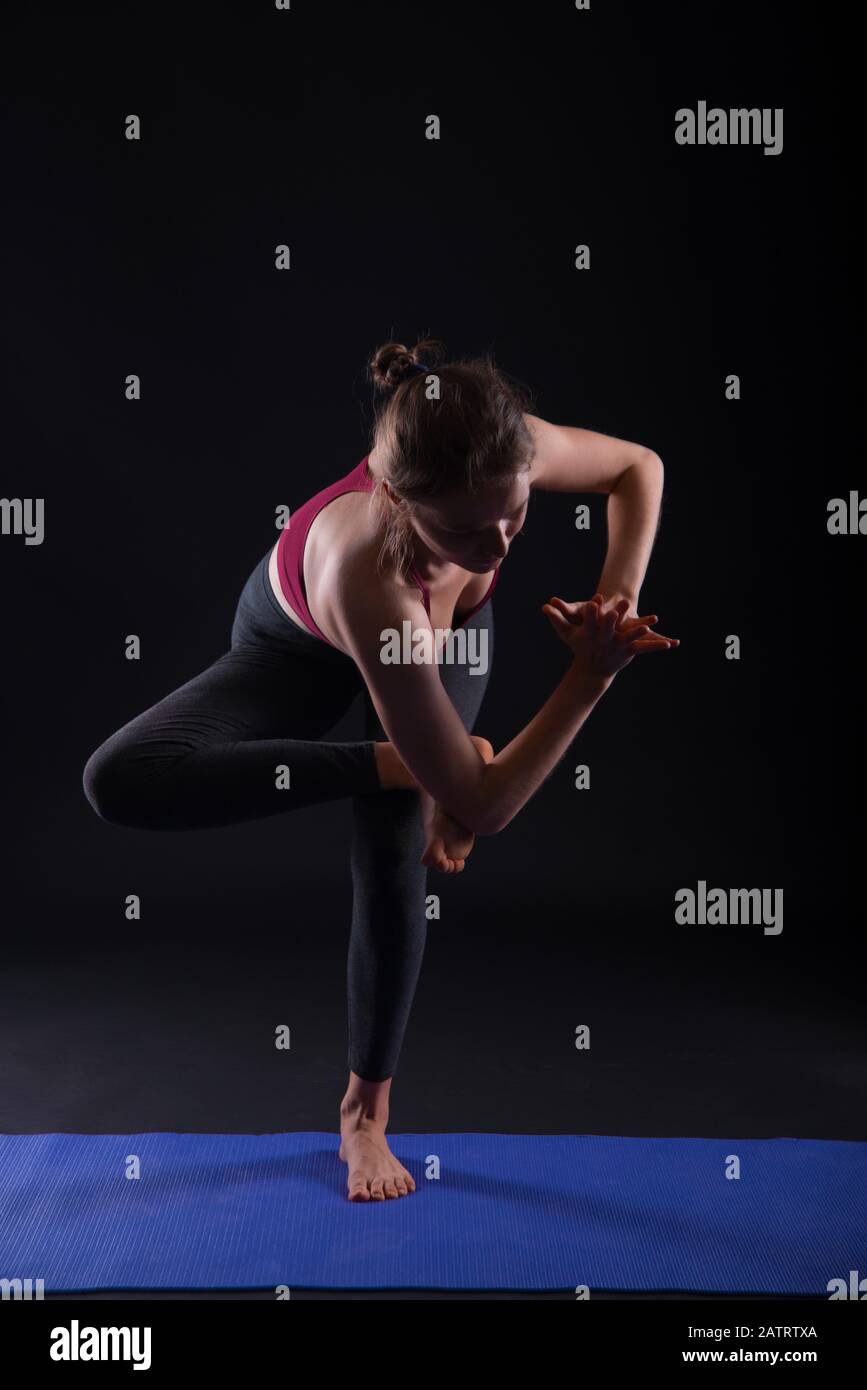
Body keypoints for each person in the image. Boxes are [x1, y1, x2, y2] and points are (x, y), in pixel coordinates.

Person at [82, 336, 678, 1201]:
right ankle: (404, 764)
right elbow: (492, 802)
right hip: (301, 647)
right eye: (466, 529)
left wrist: (613, 606)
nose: (499, 542)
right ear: (395, 494)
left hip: (443, 637)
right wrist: (587, 677)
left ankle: (364, 1115)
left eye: (512, 514)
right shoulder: (372, 575)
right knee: (122, 779)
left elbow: (637, 468)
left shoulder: (508, 444)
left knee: (396, 852)